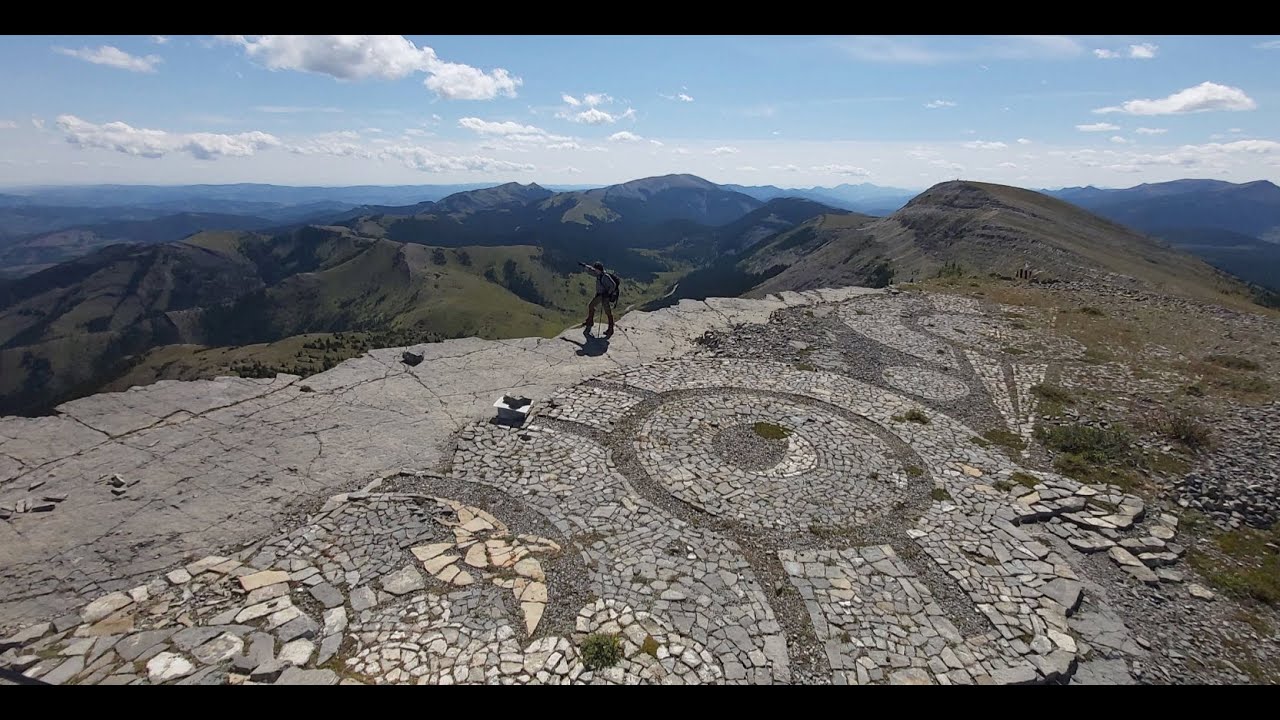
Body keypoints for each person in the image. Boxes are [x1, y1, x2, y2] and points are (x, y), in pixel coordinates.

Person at [580, 261, 616, 336]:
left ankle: (610, 329)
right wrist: (584, 266)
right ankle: (590, 321)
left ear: (599, 269)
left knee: (607, 311)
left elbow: (613, 285)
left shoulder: (605, 277)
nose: (595, 270)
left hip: (604, 296)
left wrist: (608, 293)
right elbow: (591, 270)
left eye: (596, 269)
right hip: (599, 295)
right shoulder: (599, 274)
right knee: (591, 305)